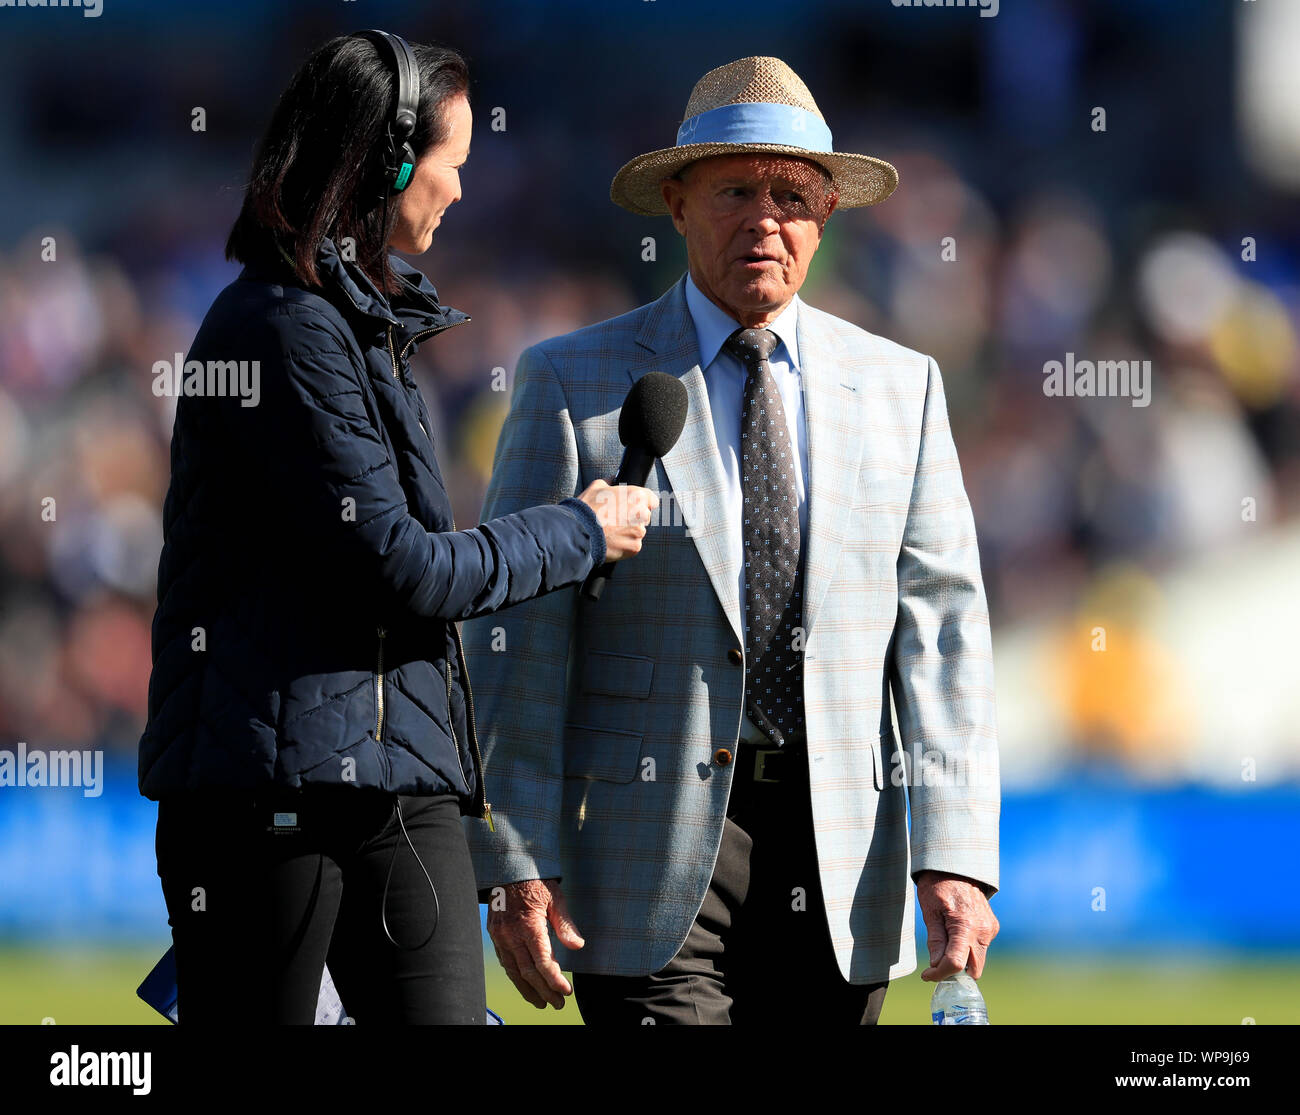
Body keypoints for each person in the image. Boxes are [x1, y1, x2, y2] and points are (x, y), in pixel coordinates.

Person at [465, 56, 1000, 1025]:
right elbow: (517, 642)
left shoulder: (900, 388)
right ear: (676, 204)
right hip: (637, 856)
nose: (765, 217)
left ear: (826, 214)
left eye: (791, 194)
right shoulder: (568, 381)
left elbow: (943, 634)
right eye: (735, 190)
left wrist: (955, 852)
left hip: (842, 855)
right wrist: (513, 854)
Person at [136, 29, 656, 1025]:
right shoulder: (279, 329)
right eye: (450, 165)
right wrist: (578, 531)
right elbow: (402, 569)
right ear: (386, 160)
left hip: (396, 788)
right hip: (271, 803)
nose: (461, 192)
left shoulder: (355, 326)